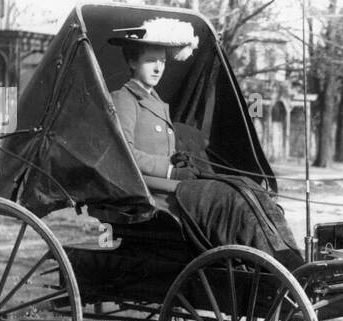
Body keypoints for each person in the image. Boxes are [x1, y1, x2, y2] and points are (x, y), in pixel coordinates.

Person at [108, 19, 305, 273]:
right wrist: (170, 170)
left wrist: (177, 159)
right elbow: (125, 154)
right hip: (151, 192)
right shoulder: (124, 99)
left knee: (248, 188)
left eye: (163, 61)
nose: (158, 68)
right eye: (150, 60)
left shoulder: (156, 101)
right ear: (132, 62)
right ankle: (279, 269)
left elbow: (161, 150)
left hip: (174, 186)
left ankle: (289, 261)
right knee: (230, 199)